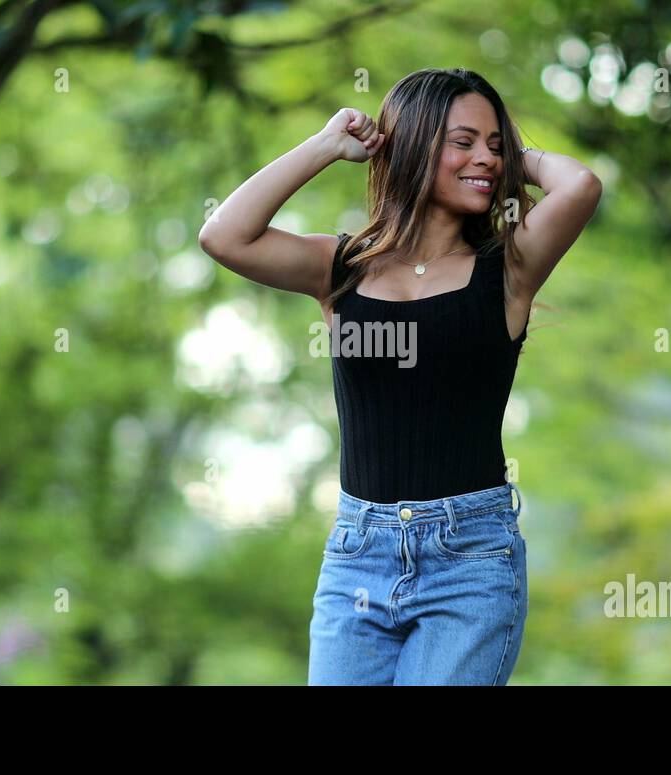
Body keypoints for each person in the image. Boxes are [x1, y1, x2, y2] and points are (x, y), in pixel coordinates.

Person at [198, 67, 602, 684]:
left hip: (470, 561)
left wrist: (514, 153)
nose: (486, 160)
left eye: (495, 146)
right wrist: (326, 146)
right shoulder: (341, 268)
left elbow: (580, 186)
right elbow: (224, 234)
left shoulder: (509, 268)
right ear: (414, 147)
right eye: (462, 142)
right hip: (358, 555)